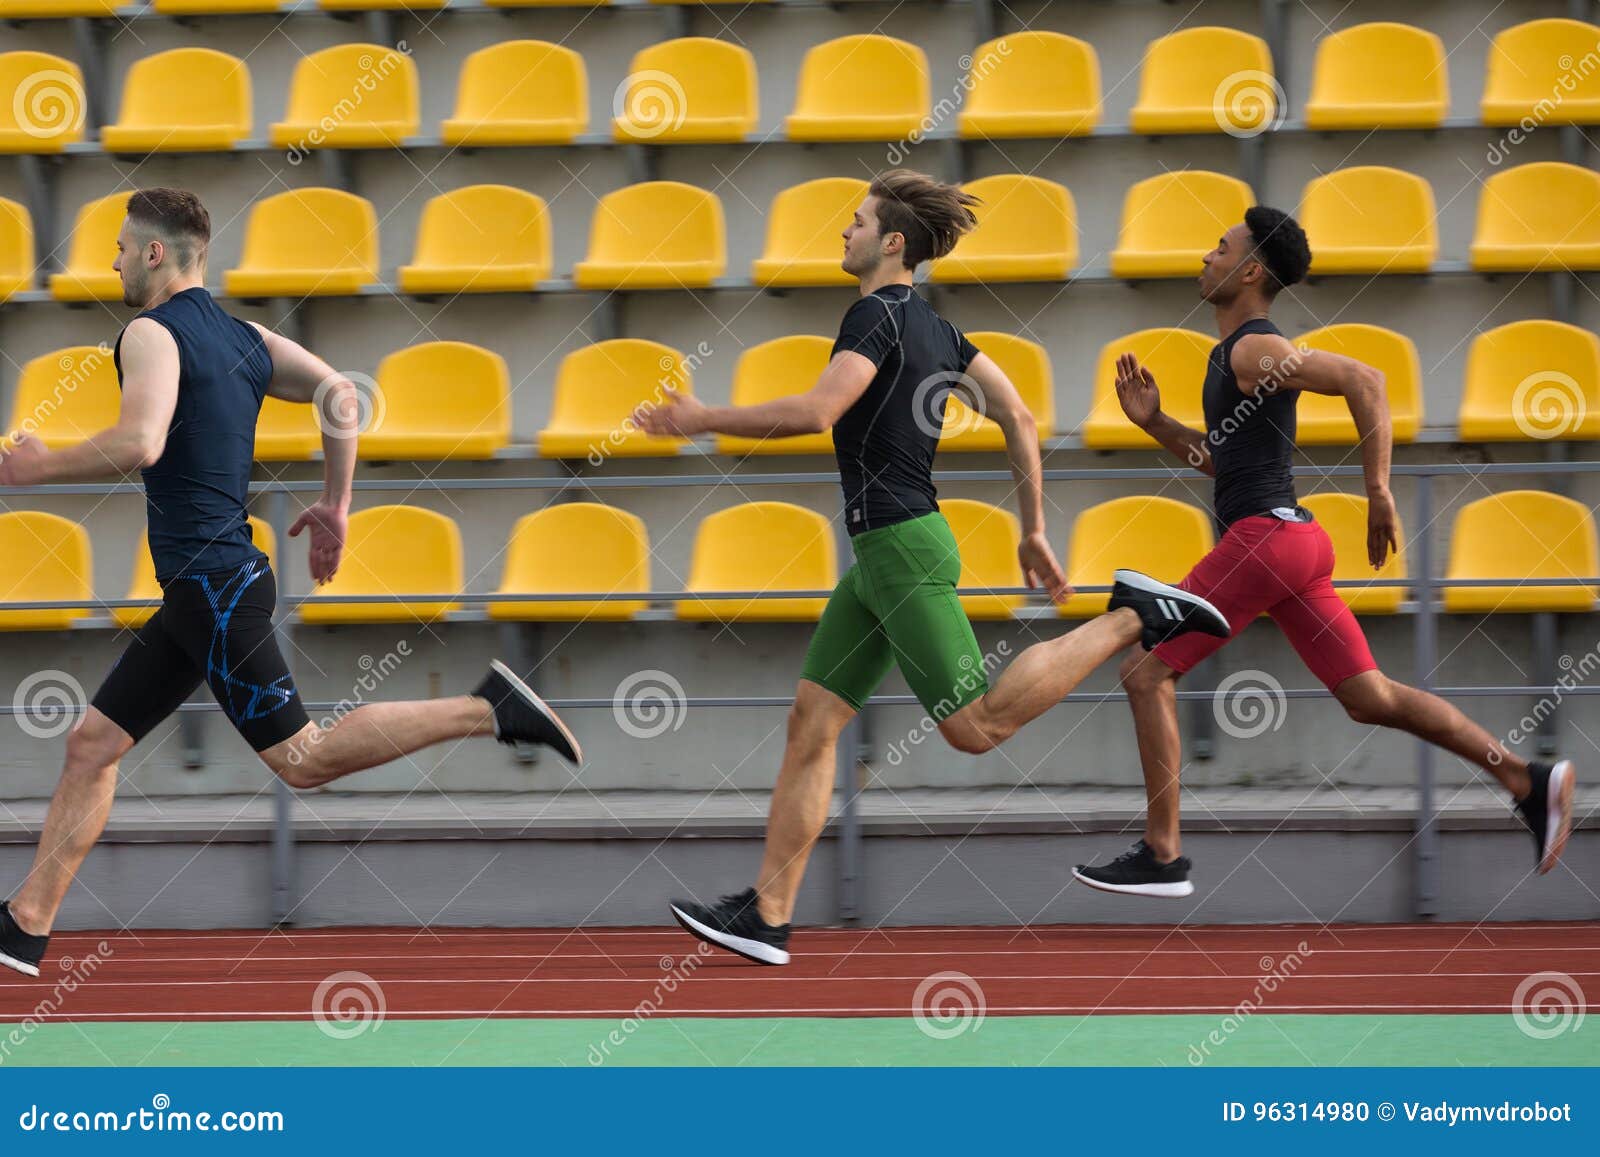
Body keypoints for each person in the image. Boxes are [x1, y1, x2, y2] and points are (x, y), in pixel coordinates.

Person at [637, 169, 1231, 964]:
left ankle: (1134, 615)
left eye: (854, 222)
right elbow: (1018, 414)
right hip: (883, 555)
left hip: (901, 549)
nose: (840, 233)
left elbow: (819, 411)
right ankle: (769, 913)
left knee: (975, 725)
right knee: (812, 724)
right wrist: (1032, 528)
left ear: (890, 242)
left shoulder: (872, 316)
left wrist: (699, 418)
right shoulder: (942, 333)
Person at [0, 188, 580, 977]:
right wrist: (337, 504)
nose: (113, 261)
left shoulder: (148, 332)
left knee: (304, 758)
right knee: (93, 743)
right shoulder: (243, 338)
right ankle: (26, 924)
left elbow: (141, 439)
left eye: (122, 248)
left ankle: (489, 708)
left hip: (213, 584)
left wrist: (37, 467)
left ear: (156, 254)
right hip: (205, 589)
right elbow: (341, 393)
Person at [1073, 206, 1575, 899]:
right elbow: (1226, 465)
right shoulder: (1237, 359)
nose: (1205, 256)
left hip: (1264, 544)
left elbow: (1366, 379)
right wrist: (1156, 421)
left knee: (1142, 672)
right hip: (1295, 544)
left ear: (1250, 271)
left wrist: (1379, 490)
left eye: (1220, 248)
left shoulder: (1251, 348)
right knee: (1370, 697)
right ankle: (1525, 776)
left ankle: (1163, 854)